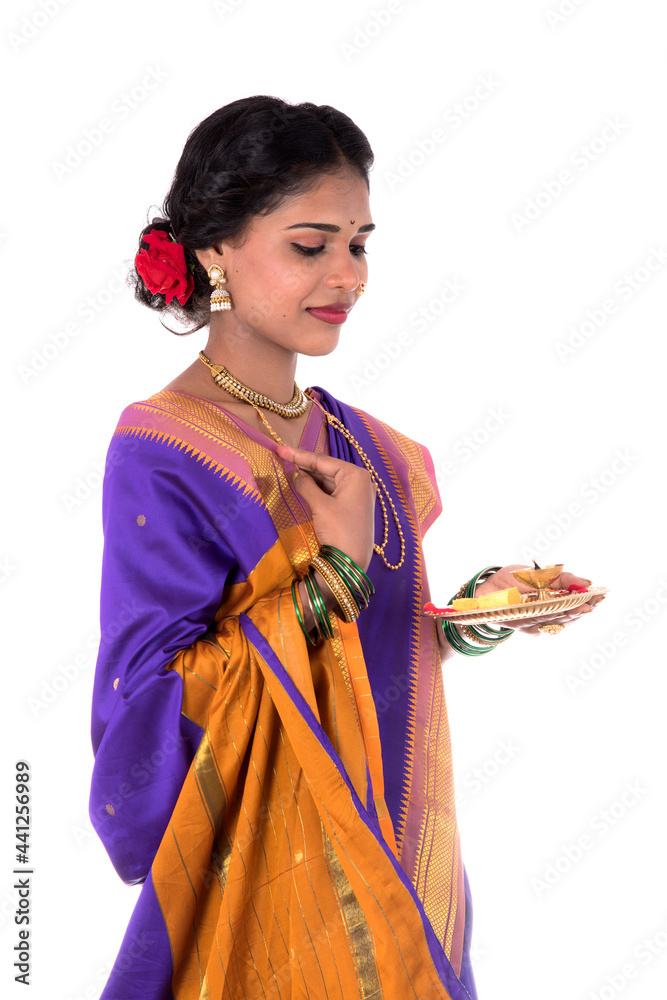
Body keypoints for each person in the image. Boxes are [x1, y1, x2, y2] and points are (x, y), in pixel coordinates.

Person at [89, 95, 604, 1000]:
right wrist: (330, 572)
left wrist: (475, 614)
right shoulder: (162, 449)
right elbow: (146, 712)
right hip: (276, 894)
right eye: (309, 244)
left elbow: (374, 650)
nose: (348, 275)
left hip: (408, 848)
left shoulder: (367, 447)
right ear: (213, 249)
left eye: (359, 244)